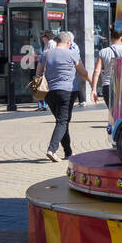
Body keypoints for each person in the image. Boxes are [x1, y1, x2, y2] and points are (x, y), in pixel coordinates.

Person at [34, 30, 87, 162]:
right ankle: (52, 149)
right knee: (62, 122)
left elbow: (38, 74)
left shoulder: (45, 54)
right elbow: (83, 72)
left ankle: (68, 152)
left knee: (62, 122)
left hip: (49, 93)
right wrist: (92, 83)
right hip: (67, 92)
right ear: (68, 42)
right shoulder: (72, 53)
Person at [90, 27, 122, 112]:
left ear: (111, 38)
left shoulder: (103, 52)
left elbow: (96, 71)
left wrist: (94, 90)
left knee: (113, 113)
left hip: (108, 85)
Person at [36, 31, 57, 110]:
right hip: (47, 69)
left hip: (48, 69)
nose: (42, 39)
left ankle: (44, 104)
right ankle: (42, 104)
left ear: (46, 37)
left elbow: (50, 57)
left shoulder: (52, 45)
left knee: (44, 86)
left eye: (42, 37)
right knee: (43, 86)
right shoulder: (48, 45)